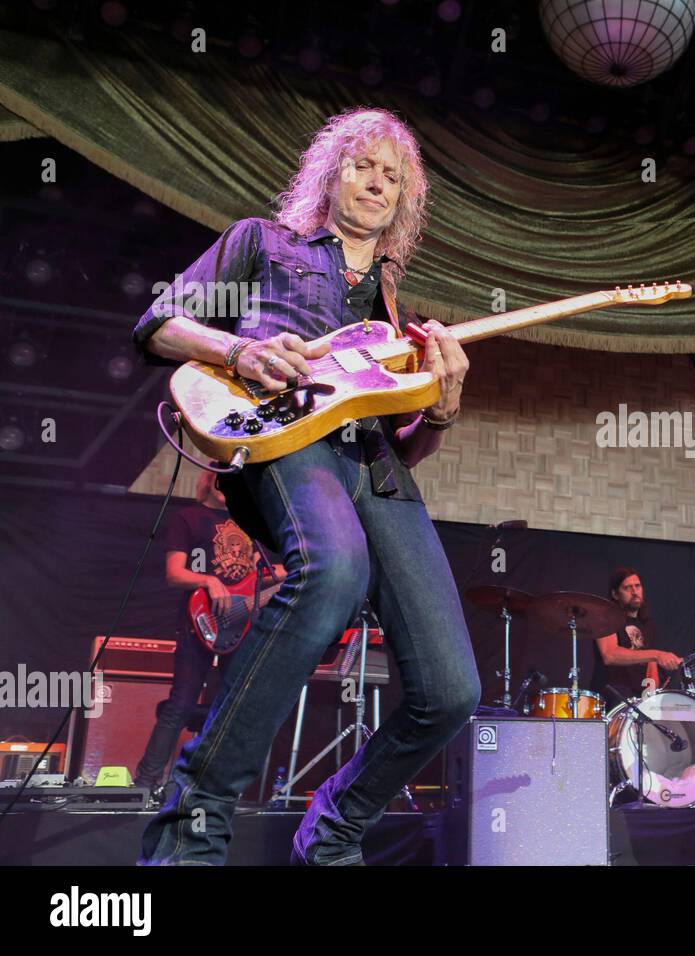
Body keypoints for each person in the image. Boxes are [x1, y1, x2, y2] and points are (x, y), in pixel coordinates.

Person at [132, 108, 480, 865]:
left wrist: (442, 410)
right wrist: (240, 349)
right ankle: (193, 818)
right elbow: (160, 322)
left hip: (379, 476)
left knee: (451, 692)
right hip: (286, 439)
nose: (377, 183)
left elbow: (407, 448)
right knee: (333, 570)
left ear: (404, 203)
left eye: (393, 177)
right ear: (330, 174)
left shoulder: (395, 315)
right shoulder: (264, 242)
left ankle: (331, 834)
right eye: (363, 165)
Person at [133, 466, 282, 800]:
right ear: (209, 480)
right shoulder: (189, 518)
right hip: (199, 619)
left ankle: (209, 787)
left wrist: (288, 573)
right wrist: (209, 580)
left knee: (229, 707)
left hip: (240, 625)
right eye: (221, 476)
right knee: (181, 703)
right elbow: (174, 573)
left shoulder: (248, 524)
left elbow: (258, 577)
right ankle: (145, 783)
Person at [592, 568, 682, 705]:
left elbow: (651, 665)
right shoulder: (606, 617)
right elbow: (609, 654)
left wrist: (651, 699)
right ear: (615, 594)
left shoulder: (648, 625)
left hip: (639, 701)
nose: (635, 592)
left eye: (637, 586)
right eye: (627, 588)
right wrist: (657, 655)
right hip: (613, 698)